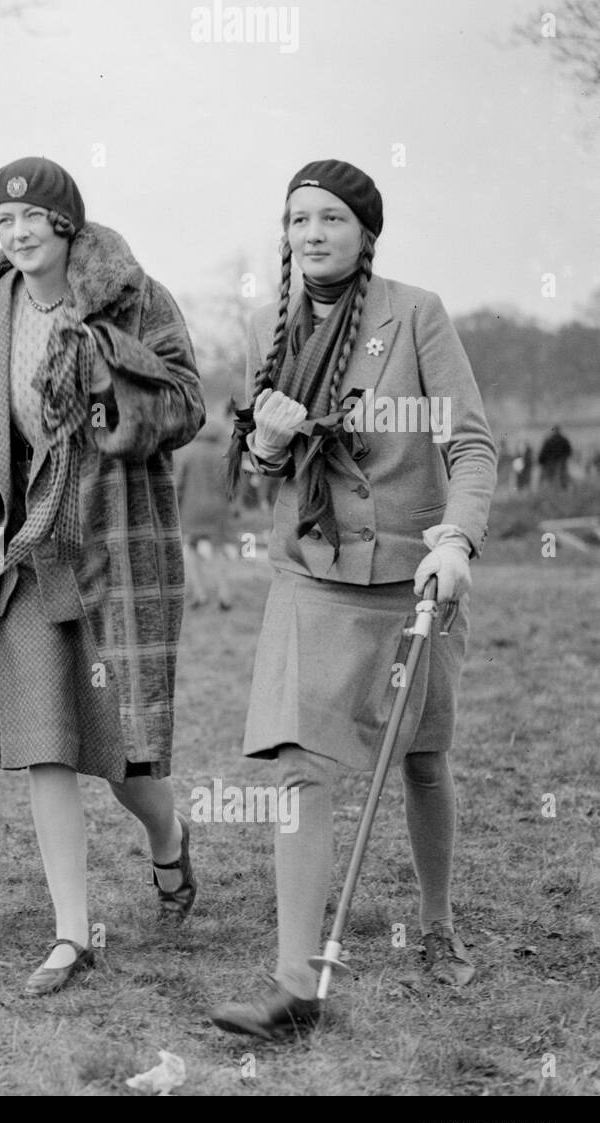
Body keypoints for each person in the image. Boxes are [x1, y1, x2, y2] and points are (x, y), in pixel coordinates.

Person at [211, 160, 496, 1039]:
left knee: (421, 759)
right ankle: (297, 986)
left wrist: (455, 541)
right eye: (298, 219)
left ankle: (439, 926)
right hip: (313, 578)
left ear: (366, 231)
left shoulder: (417, 314)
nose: (313, 233)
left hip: (414, 576)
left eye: (331, 218)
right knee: (302, 768)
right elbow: (265, 474)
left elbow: (472, 446)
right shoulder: (275, 328)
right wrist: (263, 444)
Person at [0, 157, 205, 996]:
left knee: (123, 759)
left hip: (113, 548)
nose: (18, 233)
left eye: (34, 219)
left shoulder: (135, 299)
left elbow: (187, 404)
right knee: (44, 746)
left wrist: (107, 363)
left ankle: (168, 843)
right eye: (4, 220)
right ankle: (71, 934)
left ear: (66, 225)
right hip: (22, 552)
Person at [176, 402, 239, 610]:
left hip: (191, 510)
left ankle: (200, 593)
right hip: (218, 510)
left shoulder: (188, 452)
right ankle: (225, 595)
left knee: (191, 550)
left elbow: (179, 484)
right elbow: (233, 485)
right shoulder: (225, 453)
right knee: (219, 551)